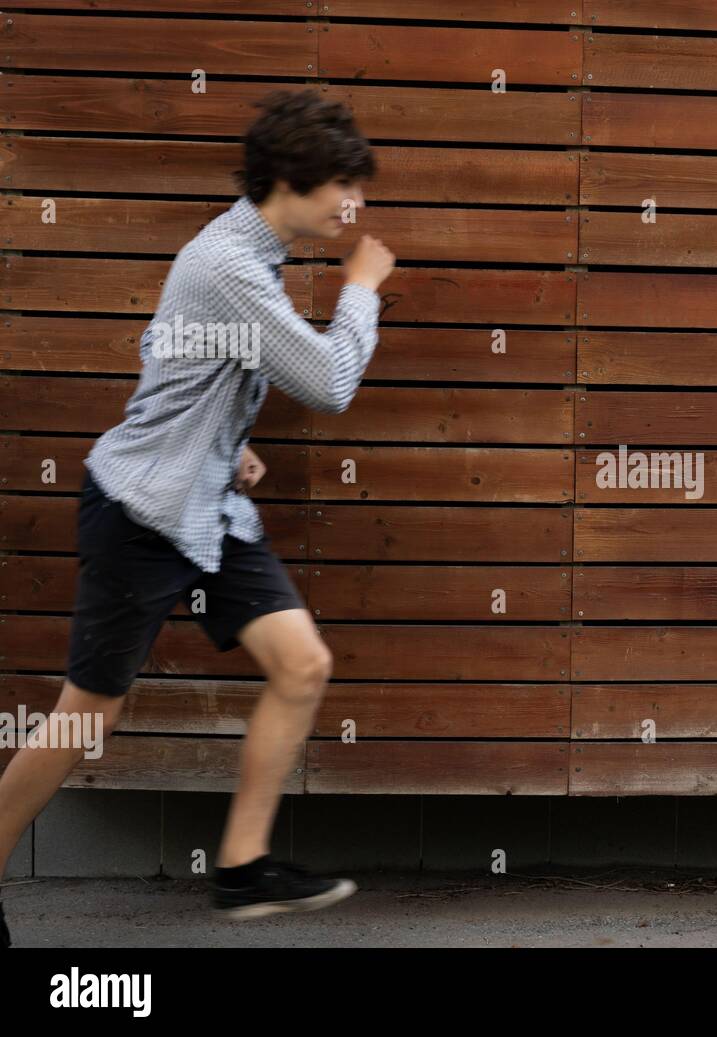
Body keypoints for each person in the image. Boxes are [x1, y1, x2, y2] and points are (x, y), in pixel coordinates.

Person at [0, 89, 396, 946]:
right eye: (343, 186)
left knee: (301, 664)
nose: (353, 205)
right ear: (292, 179)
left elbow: (171, 359)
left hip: (205, 509)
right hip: (143, 514)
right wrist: (362, 290)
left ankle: (244, 865)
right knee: (83, 719)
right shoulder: (229, 266)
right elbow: (329, 384)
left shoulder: (248, 257)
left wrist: (223, 442)